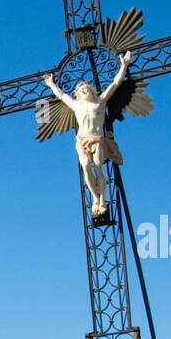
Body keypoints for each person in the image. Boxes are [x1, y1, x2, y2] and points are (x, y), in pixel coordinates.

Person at [43, 50, 132, 216]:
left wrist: (124, 64)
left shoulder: (100, 101)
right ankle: (95, 198)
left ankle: (103, 200)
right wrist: (51, 84)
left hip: (97, 139)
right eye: (81, 89)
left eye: (86, 88)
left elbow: (115, 83)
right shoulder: (77, 105)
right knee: (86, 167)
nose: (83, 90)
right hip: (82, 140)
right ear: (77, 93)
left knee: (99, 168)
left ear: (91, 90)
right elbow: (62, 95)